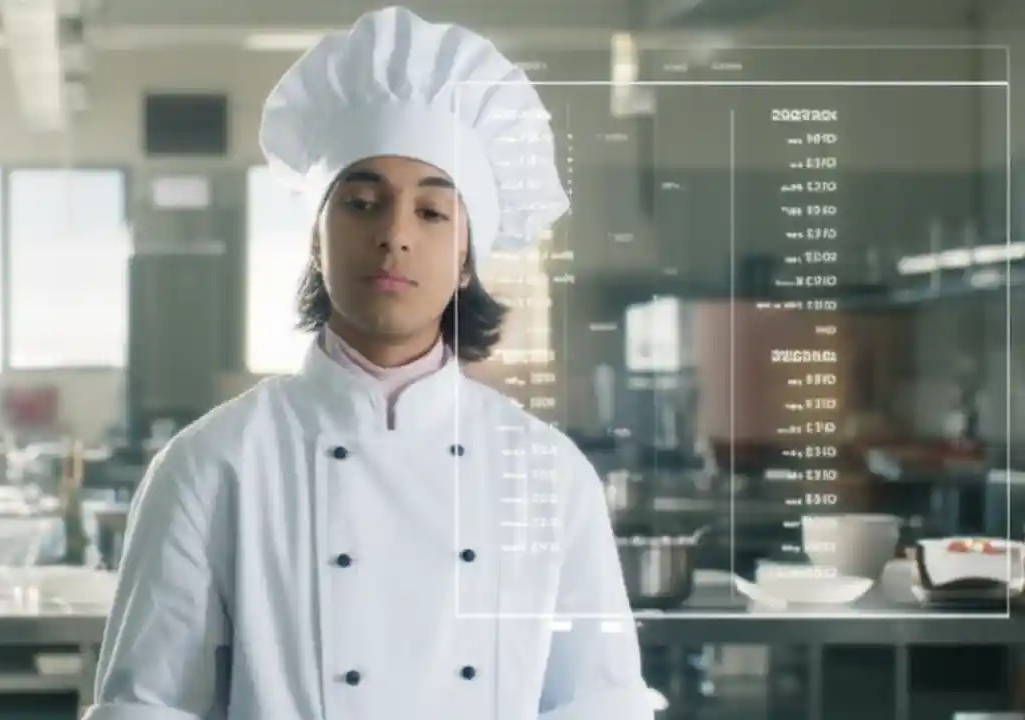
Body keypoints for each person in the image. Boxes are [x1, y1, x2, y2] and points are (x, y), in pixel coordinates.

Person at [85, 6, 653, 719]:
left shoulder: (547, 473)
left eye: (433, 212)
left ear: (470, 259)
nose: (393, 237)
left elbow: (600, 704)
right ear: (317, 240)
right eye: (360, 203)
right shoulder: (215, 463)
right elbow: (148, 708)